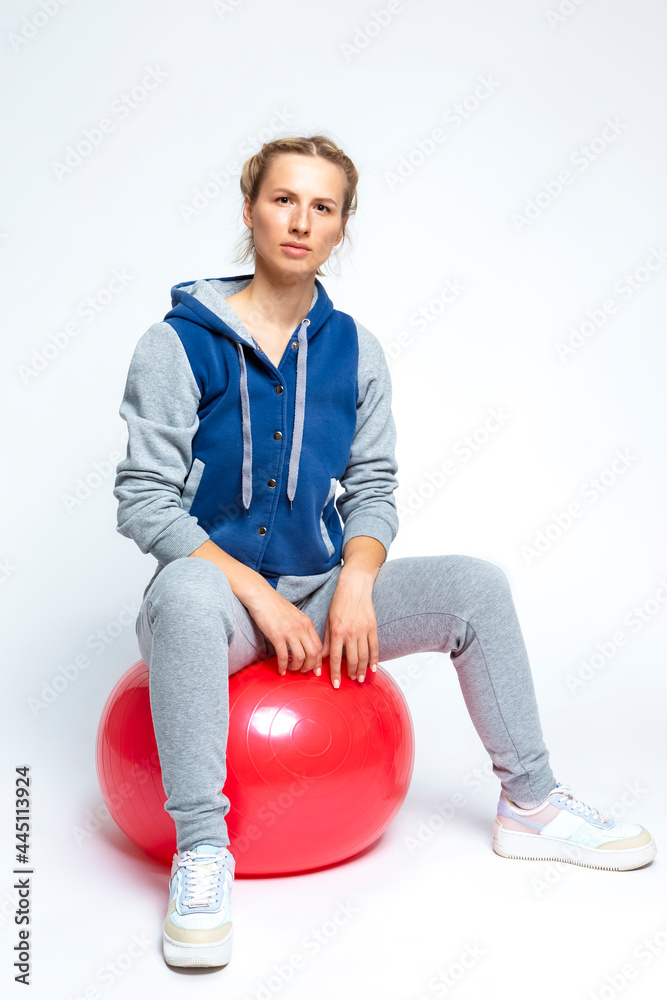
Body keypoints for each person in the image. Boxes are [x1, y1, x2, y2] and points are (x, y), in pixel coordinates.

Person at [113, 134, 656, 970]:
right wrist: (256, 599)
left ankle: (532, 805)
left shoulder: (356, 350)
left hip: (324, 589)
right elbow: (143, 500)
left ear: (341, 227)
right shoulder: (176, 341)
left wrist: (357, 579)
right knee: (185, 597)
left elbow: (372, 486)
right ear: (251, 208)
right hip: (214, 602)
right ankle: (200, 851)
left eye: (321, 207)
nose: (299, 221)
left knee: (475, 587)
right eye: (283, 199)